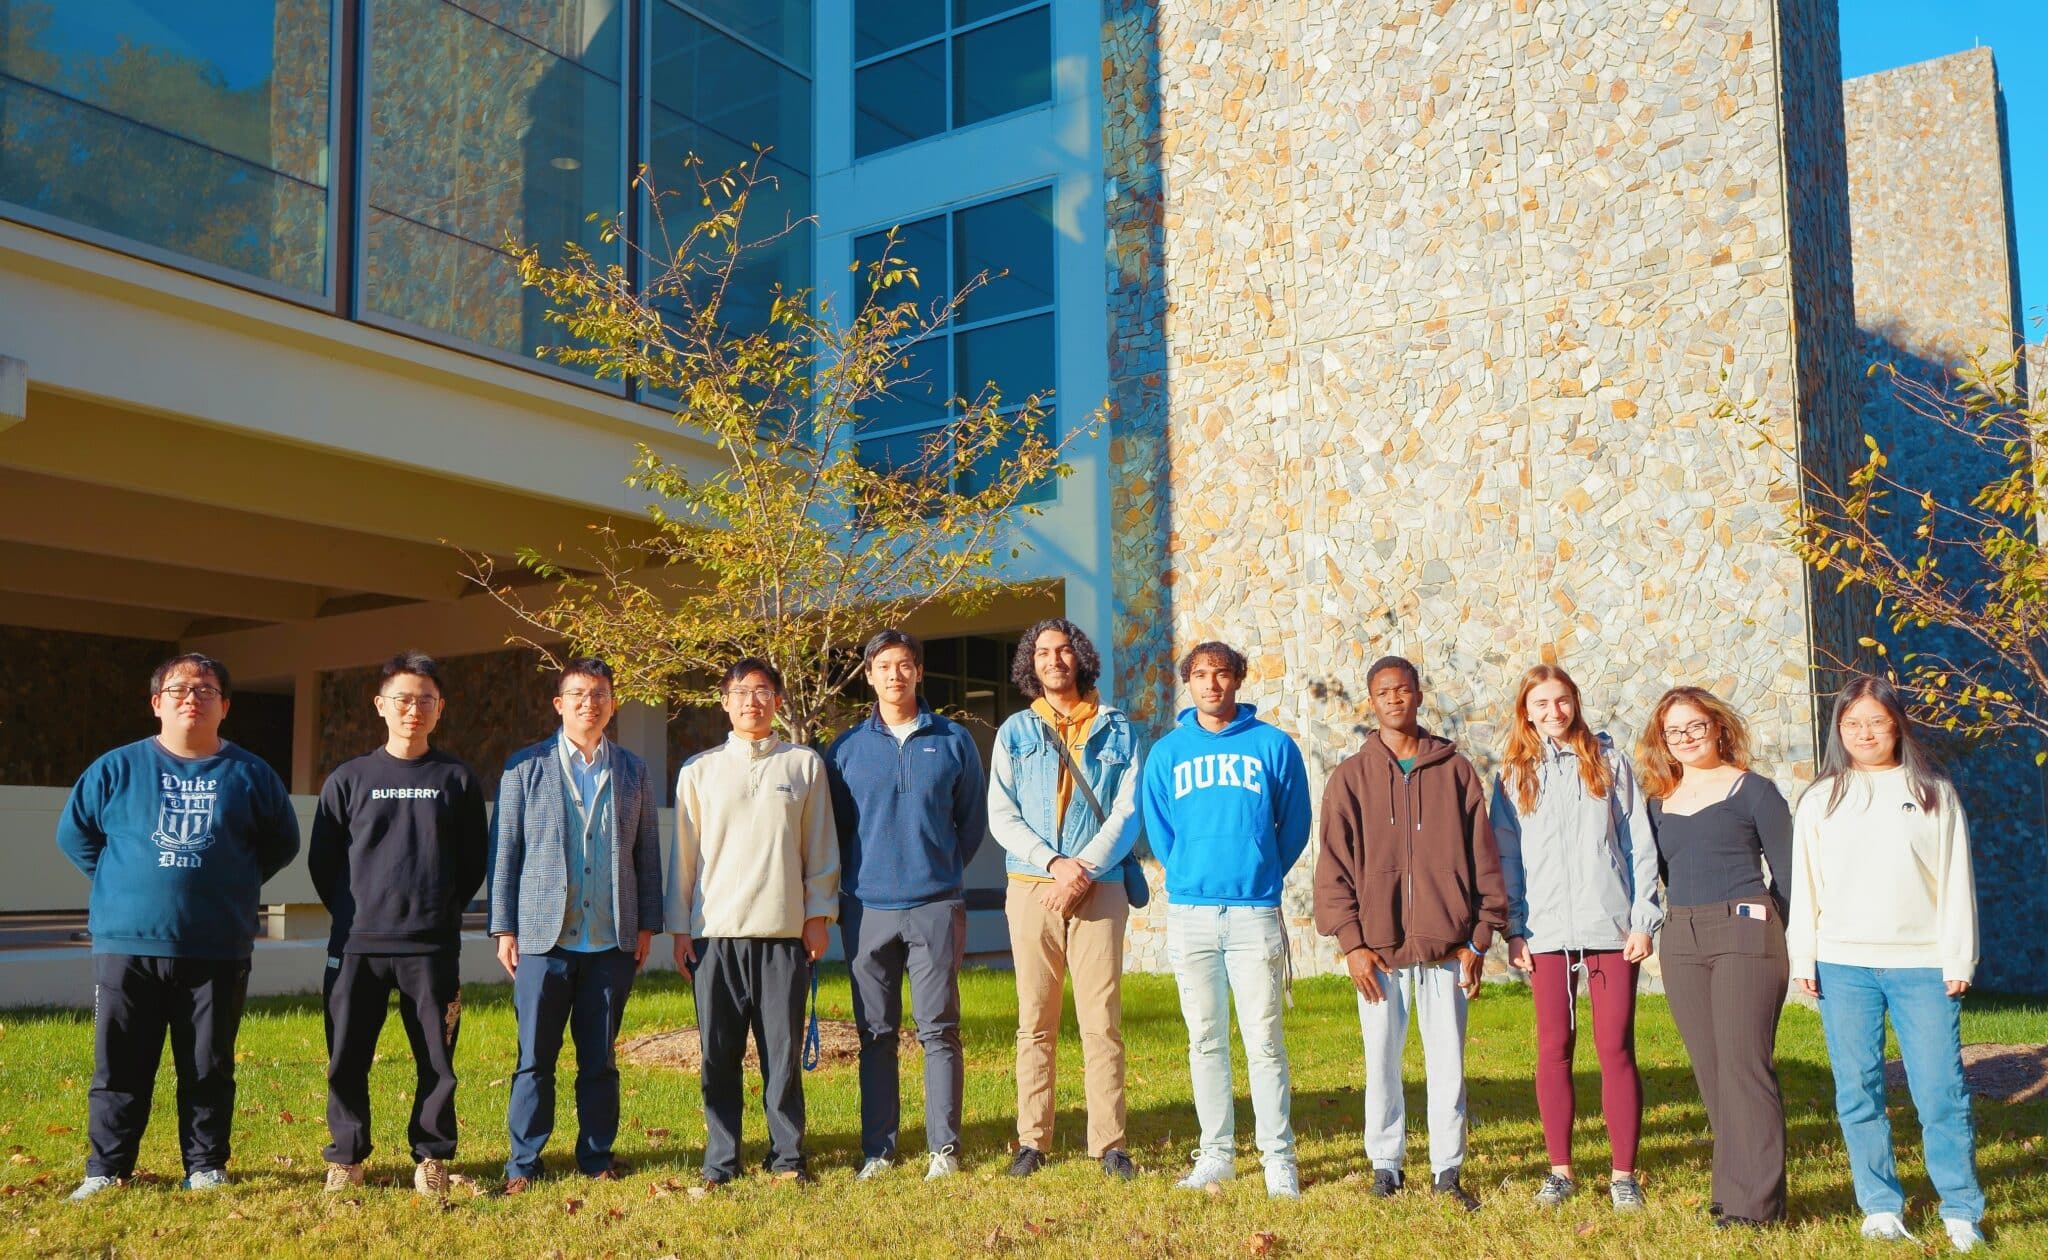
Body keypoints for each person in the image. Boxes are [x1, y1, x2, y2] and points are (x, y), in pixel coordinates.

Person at [58, 654, 302, 1201]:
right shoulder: (114, 770)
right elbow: (75, 837)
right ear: (156, 703)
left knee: (208, 1065)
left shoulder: (251, 775)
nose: (192, 697)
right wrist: (122, 883)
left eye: (207, 689)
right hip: (127, 946)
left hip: (217, 946)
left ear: (225, 706)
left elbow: (282, 844)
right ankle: (107, 1168)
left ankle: (205, 1165)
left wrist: (230, 881)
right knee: (119, 1064)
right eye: (179, 688)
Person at [1789, 676, 1984, 1252]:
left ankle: (1961, 1208)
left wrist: (1959, 957)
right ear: (1839, 732)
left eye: (1875, 721)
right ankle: (1878, 1204)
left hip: (1923, 966)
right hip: (1843, 965)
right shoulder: (1822, 797)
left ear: (1897, 724)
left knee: (1940, 1091)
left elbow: (1956, 881)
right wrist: (1806, 955)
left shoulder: (1933, 793)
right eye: (1852, 724)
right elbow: (1806, 884)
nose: (1865, 733)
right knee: (1859, 1091)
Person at [1313, 654, 1505, 1211]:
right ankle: (1386, 1165)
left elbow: (1483, 858)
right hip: (1378, 954)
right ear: (1370, 703)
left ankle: (1447, 1170)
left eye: (1403, 689)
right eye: (1382, 692)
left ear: (1419, 696)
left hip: (1448, 949)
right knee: (1382, 1061)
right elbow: (1333, 868)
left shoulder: (1456, 770)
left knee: (1448, 1063)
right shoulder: (1351, 777)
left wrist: (1479, 939)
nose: (1394, 699)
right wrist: (1352, 943)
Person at [308, 652, 488, 1198]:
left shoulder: (456, 778)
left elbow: (472, 862)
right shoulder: (349, 778)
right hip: (357, 945)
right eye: (403, 699)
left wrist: (436, 910)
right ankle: (347, 1157)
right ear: (381, 706)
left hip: (431, 947)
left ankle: (431, 1156)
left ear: (440, 709)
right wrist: (355, 914)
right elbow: (324, 862)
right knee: (347, 1058)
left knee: (437, 1060)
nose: (414, 709)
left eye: (425, 701)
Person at [1140, 641, 1311, 1199]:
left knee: (1265, 1040)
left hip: (1253, 912)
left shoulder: (1273, 746)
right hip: (1190, 912)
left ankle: (1277, 1159)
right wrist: (1191, 872)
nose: (1212, 683)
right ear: (1187, 683)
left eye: (1222, 674)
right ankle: (1216, 1154)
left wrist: (1258, 873)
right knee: (1205, 1039)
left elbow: (1295, 824)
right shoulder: (1167, 753)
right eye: (1201, 674)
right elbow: (1161, 831)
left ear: (1238, 680)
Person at [1490, 664, 1660, 1212]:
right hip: (1544, 933)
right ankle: (1560, 1170)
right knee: (1553, 1049)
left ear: (1575, 703)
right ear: (1526, 710)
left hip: (1609, 928)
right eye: (1541, 703)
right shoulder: (1513, 775)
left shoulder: (1608, 762)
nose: (1553, 712)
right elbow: (1507, 858)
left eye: (1562, 701)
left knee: (1614, 1049)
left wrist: (1642, 917)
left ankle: (1623, 1174)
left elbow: (1639, 842)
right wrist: (1515, 930)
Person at [490, 658, 662, 1192]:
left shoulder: (633, 770)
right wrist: (504, 928)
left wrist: (647, 924)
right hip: (545, 939)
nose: (590, 703)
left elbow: (646, 855)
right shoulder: (525, 767)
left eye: (601, 694)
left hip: (611, 939)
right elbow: (506, 853)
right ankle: (524, 1164)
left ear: (613, 703)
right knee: (534, 1059)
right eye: (579, 694)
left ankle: (595, 1157)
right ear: (559, 703)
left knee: (600, 1059)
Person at [826, 630, 987, 1182]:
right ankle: (880, 1149)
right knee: (876, 1032)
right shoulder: (845, 749)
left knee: (939, 1028)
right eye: (884, 666)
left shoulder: (954, 740)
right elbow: (838, 831)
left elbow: (971, 822)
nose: (895, 674)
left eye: (905, 665)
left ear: (919, 672)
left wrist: (939, 867)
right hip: (866, 909)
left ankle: (944, 1148)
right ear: (869, 675)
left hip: (937, 904)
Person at [671, 658, 838, 1187]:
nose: (751, 701)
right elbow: (684, 859)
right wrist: (681, 929)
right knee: (717, 1055)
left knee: (783, 1056)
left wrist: (818, 916)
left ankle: (787, 1157)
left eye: (763, 691)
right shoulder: (698, 771)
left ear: (778, 702)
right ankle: (721, 1160)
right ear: (724, 702)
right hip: (714, 934)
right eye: (740, 692)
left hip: (783, 933)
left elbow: (821, 849)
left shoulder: (803, 765)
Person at [988, 618, 1142, 1181]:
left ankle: (1110, 1143)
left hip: (1099, 888)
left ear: (1080, 658)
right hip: (1032, 888)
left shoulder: (1118, 729)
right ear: (1031, 664)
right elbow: (1000, 814)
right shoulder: (1014, 732)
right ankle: (1032, 1139)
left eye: (1064, 651)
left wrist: (1084, 868)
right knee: (1035, 1020)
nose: (1055, 660)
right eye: (1043, 653)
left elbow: (1128, 810)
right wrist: (1054, 864)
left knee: (1101, 1019)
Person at [1635, 685, 1792, 1229]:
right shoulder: (1657, 804)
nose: (1685, 739)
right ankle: (1731, 1192)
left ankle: (1758, 1206)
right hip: (1682, 937)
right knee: (1712, 1071)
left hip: (1744, 932)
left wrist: (1770, 930)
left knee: (1745, 1068)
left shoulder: (1754, 791)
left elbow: (1790, 877)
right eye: (1673, 732)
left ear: (1717, 727)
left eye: (1694, 727)